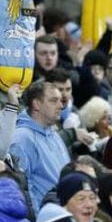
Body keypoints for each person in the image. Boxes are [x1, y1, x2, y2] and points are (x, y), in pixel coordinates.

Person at [9, 80, 71, 209]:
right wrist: (39, 218)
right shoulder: (22, 139)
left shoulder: (53, 133)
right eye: (53, 101)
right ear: (36, 104)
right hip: (45, 216)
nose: (61, 106)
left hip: (63, 212)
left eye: (60, 101)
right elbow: (20, 188)